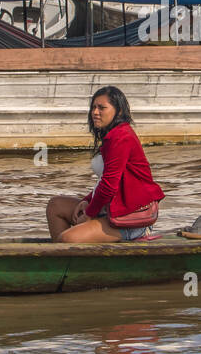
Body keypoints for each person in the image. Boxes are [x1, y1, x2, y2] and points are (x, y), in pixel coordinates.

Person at [46, 86, 165, 243]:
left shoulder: (121, 137)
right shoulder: (111, 135)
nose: (95, 112)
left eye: (101, 108)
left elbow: (109, 185)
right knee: (56, 206)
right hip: (111, 208)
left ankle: (70, 258)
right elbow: (104, 180)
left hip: (129, 218)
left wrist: (89, 214)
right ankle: (64, 263)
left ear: (119, 112)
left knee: (68, 238)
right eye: (93, 107)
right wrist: (87, 201)